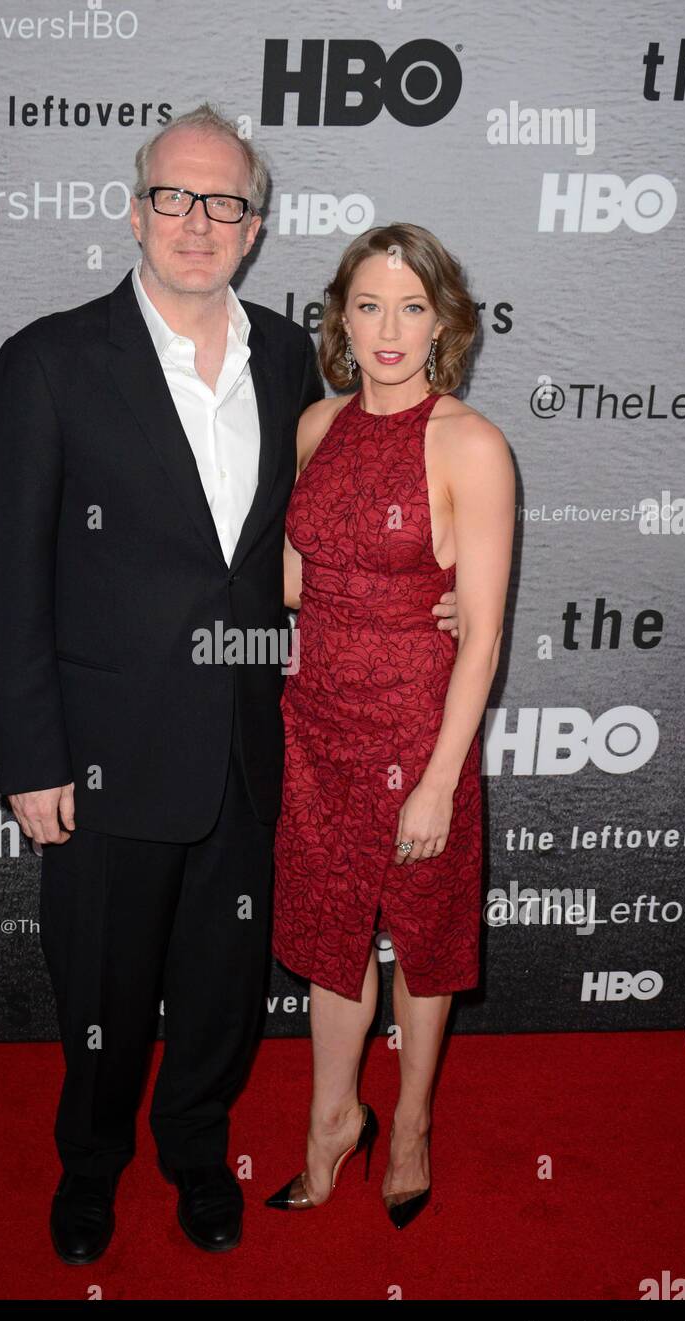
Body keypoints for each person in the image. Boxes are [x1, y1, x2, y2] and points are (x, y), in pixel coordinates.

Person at [0, 107, 461, 1265]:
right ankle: (90, 1164)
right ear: (138, 210)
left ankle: (197, 1152)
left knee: (218, 986)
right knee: (97, 985)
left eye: (225, 203)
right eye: (177, 199)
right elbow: (11, 573)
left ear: (254, 227)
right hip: (103, 748)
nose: (200, 223)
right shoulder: (46, 360)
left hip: (254, 744)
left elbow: (329, 543)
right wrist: (32, 756)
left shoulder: (292, 361)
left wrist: (431, 597)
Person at [267, 224, 515, 1229]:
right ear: (340, 316)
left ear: (445, 322)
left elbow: (485, 634)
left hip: (417, 733)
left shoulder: (468, 442)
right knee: (331, 936)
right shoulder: (318, 427)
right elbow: (295, 580)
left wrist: (440, 778)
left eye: (413, 307)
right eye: (369, 304)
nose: (389, 329)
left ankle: (408, 1121)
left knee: (419, 942)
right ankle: (333, 1120)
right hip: (317, 729)